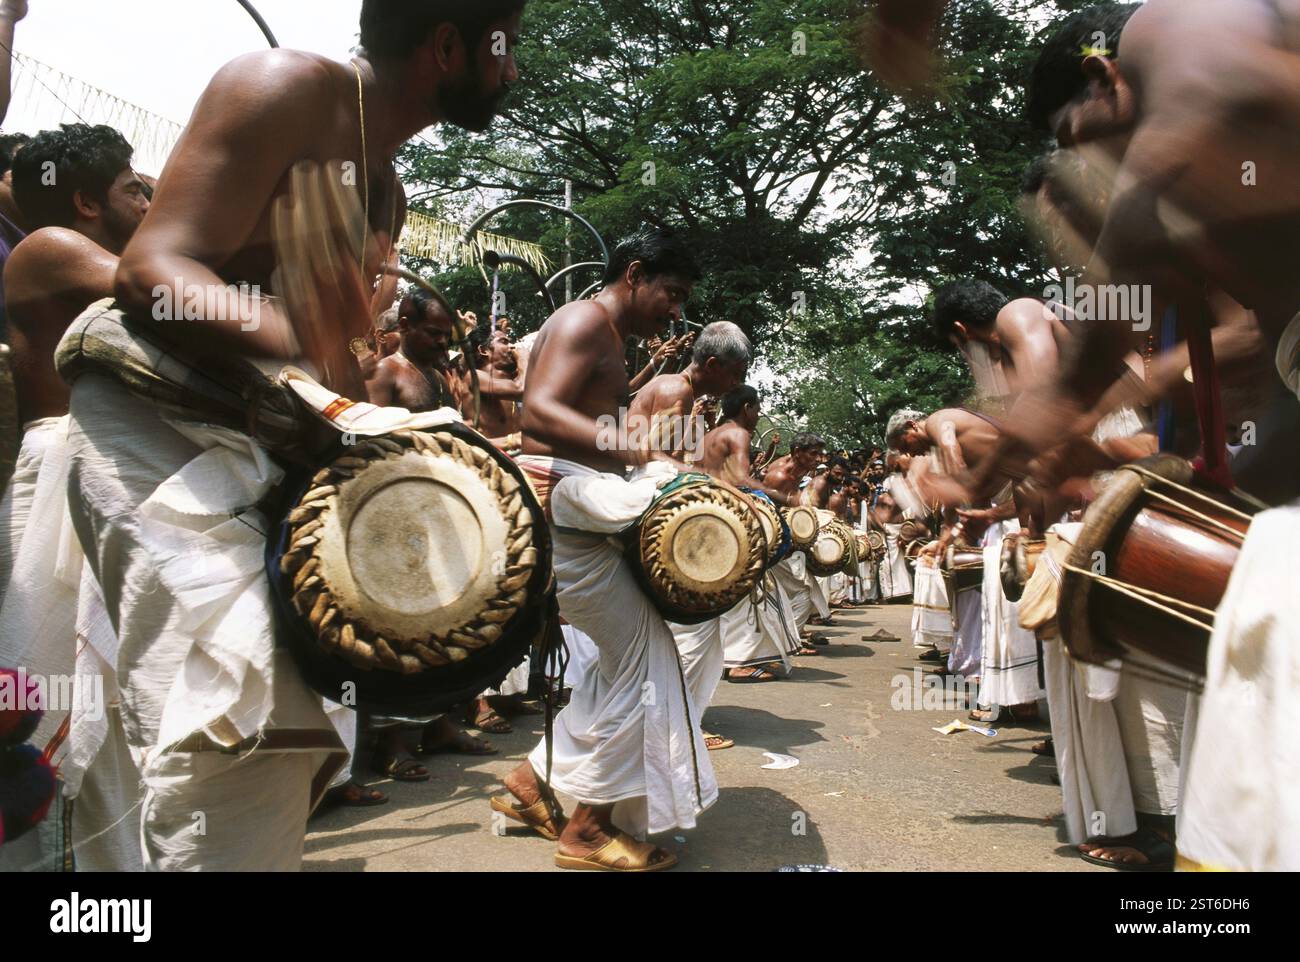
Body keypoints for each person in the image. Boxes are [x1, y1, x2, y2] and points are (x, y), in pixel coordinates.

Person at [59, 0, 528, 871]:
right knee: (234, 728)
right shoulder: (283, 88)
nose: (513, 69)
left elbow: (338, 365)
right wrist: (283, 334)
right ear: (449, 45)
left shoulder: (385, 182)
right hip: (156, 432)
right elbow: (152, 270)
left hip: (255, 447)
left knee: (294, 742)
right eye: (507, 46)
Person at [496, 226, 711, 872]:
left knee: (617, 668)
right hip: (566, 518)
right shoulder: (585, 321)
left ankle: (532, 786)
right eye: (670, 293)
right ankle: (587, 830)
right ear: (636, 273)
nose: (674, 311)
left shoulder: (611, 336)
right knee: (647, 665)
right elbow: (538, 413)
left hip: (585, 517)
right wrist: (638, 451)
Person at [0, 123, 148, 872]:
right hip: (63, 486)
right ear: (86, 200)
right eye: (134, 188)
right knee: (56, 718)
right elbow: (162, 288)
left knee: (113, 728)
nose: (150, 200)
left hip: (101, 488)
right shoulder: (47, 249)